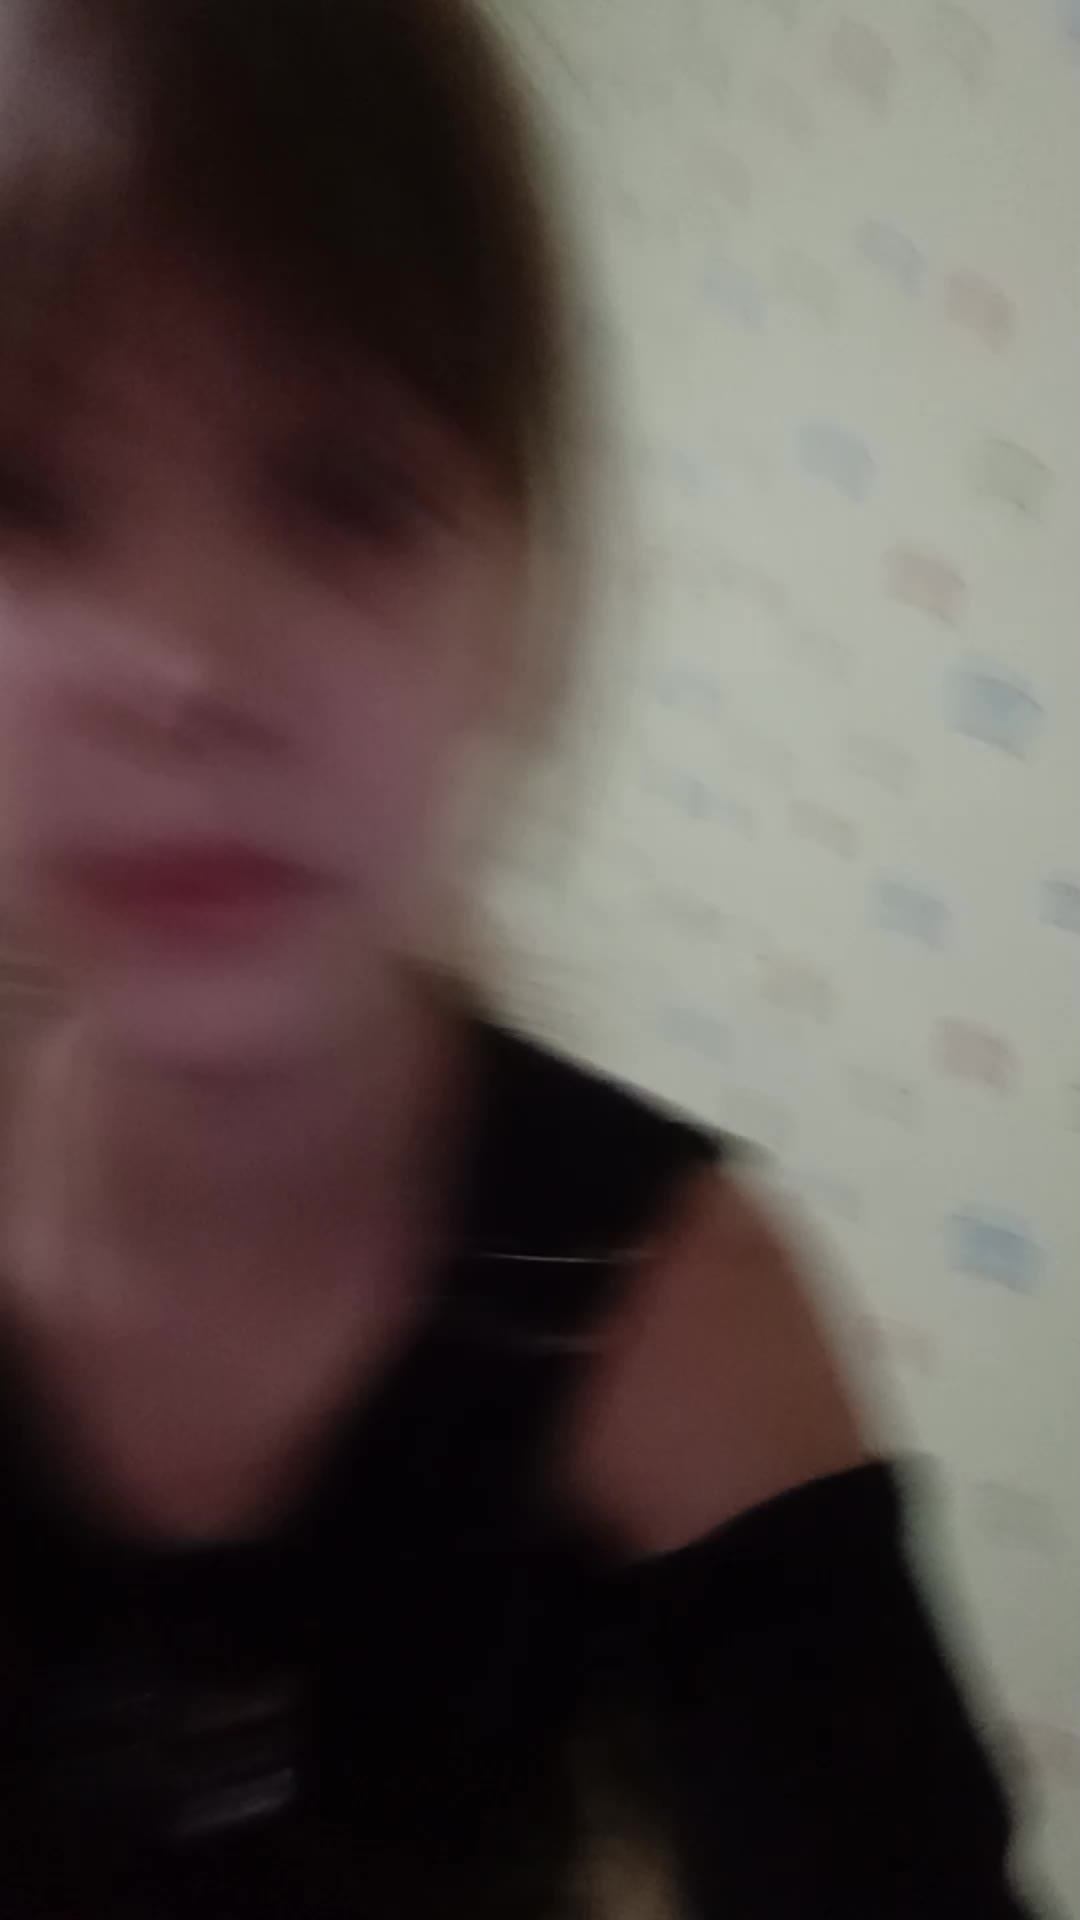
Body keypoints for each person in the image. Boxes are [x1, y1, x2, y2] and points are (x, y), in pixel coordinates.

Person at [0, 1, 1043, 1915]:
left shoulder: (670, 1310)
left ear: (514, 608)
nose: (188, 668)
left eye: (344, 493)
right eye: (28, 500)